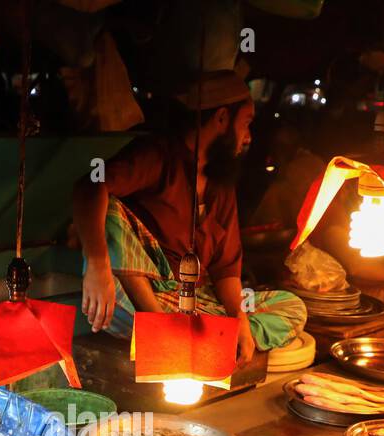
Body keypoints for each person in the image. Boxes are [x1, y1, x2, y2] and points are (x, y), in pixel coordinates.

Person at [72, 69, 305, 362]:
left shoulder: (221, 183)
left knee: (292, 306)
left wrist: (238, 321)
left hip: (194, 302)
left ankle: (202, 338)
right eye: (245, 123)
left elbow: (226, 270)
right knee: (110, 210)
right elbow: (90, 186)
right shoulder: (158, 155)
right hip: (141, 299)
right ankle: (168, 332)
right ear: (221, 119)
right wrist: (97, 265)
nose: (248, 137)